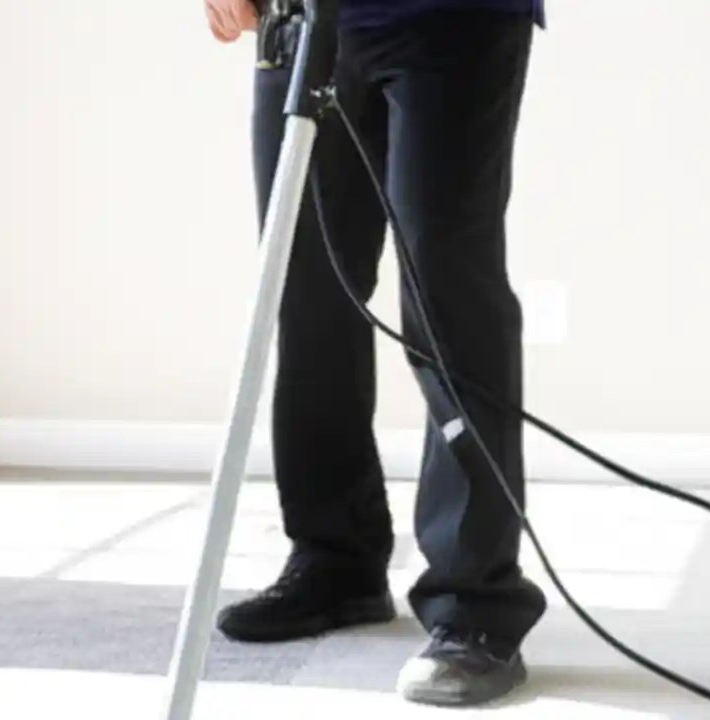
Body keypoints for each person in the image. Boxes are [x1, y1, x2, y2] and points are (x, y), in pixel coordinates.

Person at [204, 0, 547, 707]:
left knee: (448, 297)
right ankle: (336, 558)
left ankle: (475, 605)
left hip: (451, 20)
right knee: (305, 292)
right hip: (305, 22)